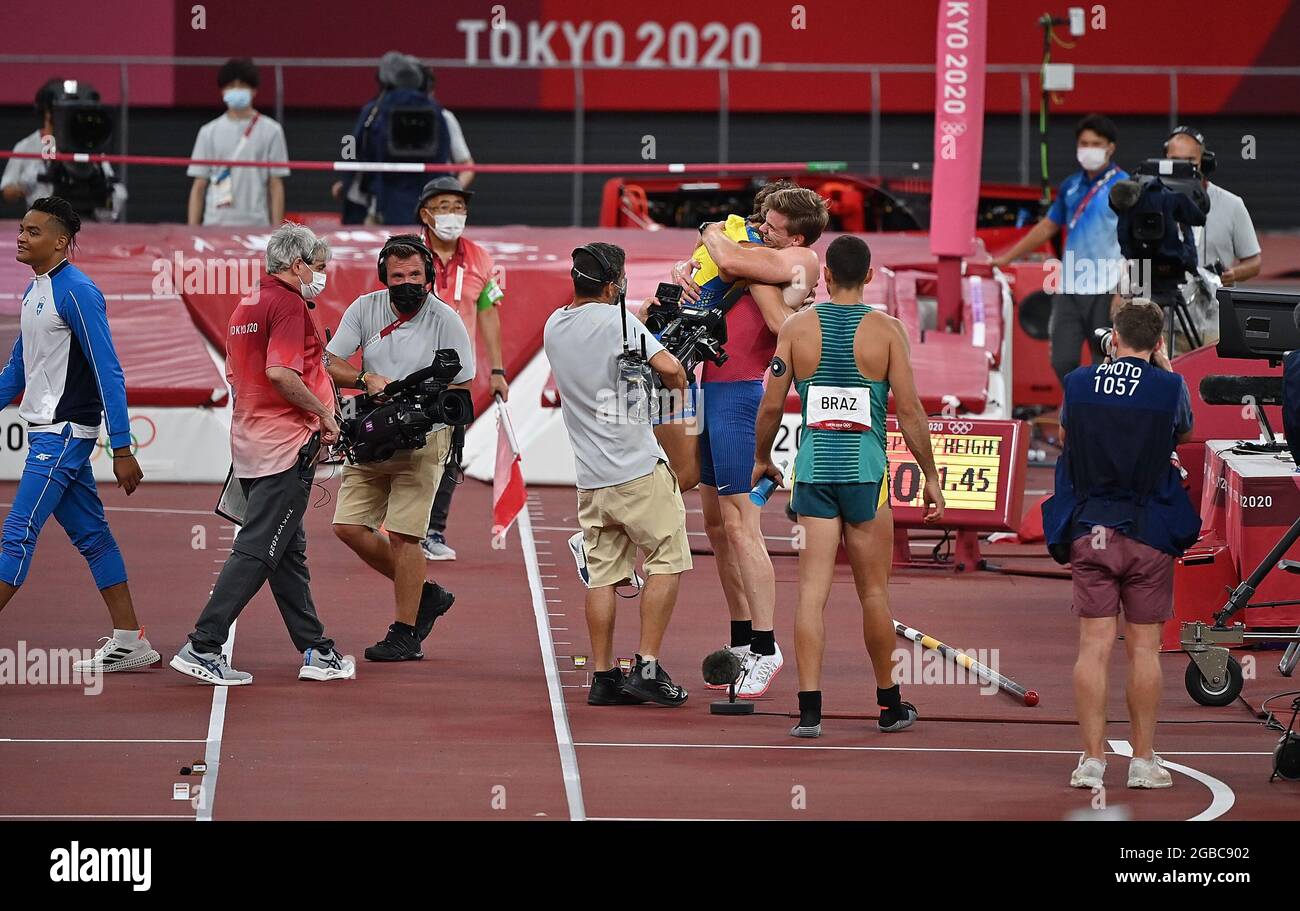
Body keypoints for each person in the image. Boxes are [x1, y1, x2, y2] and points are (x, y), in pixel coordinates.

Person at [753, 235, 943, 737]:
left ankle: (810, 711)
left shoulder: (796, 328)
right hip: (865, 477)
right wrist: (931, 478)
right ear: (871, 275)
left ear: (826, 278)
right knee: (874, 595)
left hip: (814, 475)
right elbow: (911, 410)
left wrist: (760, 458)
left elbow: (771, 406)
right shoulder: (887, 331)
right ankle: (889, 706)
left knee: (811, 595)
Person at [657, 184, 828, 698]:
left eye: (771, 224)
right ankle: (742, 639)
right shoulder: (763, 254)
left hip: (741, 391)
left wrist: (712, 234)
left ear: (795, 235)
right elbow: (721, 268)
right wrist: (687, 273)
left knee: (740, 523)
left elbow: (731, 258)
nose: (760, 226)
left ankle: (767, 646)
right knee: (715, 523)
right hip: (712, 384)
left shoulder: (799, 258)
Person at [171, 223, 354, 685]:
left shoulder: (248, 302)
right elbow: (281, 373)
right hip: (284, 448)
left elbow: (246, 372)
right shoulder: (289, 304)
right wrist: (326, 416)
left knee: (287, 552)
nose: (321, 275)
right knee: (259, 548)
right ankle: (204, 644)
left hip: (251, 443)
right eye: (319, 266)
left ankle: (316, 649)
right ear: (297, 265)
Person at [1042, 300, 1200, 790]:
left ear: (1113, 335)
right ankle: (1143, 760)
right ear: (1157, 343)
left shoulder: (1079, 383)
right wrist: (1166, 369)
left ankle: (1091, 761)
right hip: (1149, 532)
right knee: (1145, 650)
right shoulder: (1168, 385)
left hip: (1093, 529)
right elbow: (1185, 430)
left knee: (1093, 646)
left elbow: (1067, 437)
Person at [0, 196, 158, 673]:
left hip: (65, 435)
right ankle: (131, 640)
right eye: (22, 229)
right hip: (50, 433)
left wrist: (123, 446)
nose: (22, 236)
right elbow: (15, 373)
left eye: (33, 231)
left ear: (61, 241)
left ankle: (130, 639)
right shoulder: (35, 290)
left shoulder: (78, 292)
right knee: (93, 536)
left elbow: (109, 371)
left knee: (17, 532)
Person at [544, 242, 692, 707]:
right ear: (613, 284)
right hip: (637, 467)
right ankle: (646, 666)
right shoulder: (620, 322)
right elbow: (671, 371)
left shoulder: (554, 325)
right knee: (667, 558)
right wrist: (669, 408)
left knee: (603, 576)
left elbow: (603, 354)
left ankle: (604, 676)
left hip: (591, 477)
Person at [326, 234, 473, 661]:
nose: (407, 282)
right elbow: (329, 362)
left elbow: (462, 385)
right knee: (348, 527)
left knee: (406, 536)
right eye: (398, 276)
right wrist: (364, 380)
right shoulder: (364, 308)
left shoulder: (446, 319)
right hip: (372, 431)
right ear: (383, 278)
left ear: (429, 275)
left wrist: (426, 412)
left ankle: (406, 633)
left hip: (424, 438)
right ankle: (424, 593)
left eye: (415, 275)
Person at [993, 114, 1128, 386]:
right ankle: (1079, 403)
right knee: (1062, 360)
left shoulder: (1124, 187)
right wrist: (1005, 258)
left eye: (1096, 143)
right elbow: (1047, 227)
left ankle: (1096, 414)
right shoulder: (1070, 186)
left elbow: (1135, 242)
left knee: (1105, 361)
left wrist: (1125, 289)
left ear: (1110, 147)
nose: (1089, 149)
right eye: (1084, 143)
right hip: (1070, 287)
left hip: (1107, 286)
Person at [414, 176, 506, 560]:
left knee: (451, 452)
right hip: (412, 373)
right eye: (444, 207)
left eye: (459, 207)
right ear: (425, 214)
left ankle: (433, 531)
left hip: (457, 377)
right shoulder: (407, 253)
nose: (453, 215)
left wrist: (497, 371)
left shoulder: (480, 258)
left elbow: (487, 314)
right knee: (409, 449)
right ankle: (399, 527)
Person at [1165, 126, 1262, 352]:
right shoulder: (1153, 202)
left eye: (1190, 160)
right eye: (1176, 160)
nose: (1183, 168)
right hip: (1167, 323)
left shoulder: (1232, 204)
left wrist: (1233, 274)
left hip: (1214, 325)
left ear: (1205, 163)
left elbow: (1255, 262)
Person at [186, 58, 290, 227]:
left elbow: (276, 185)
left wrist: (277, 232)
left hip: (256, 224)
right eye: (231, 86)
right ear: (222, 91)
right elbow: (199, 185)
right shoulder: (208, 132)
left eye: (242, 85)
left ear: (254, 90)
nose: (236, 90)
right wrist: (192, 230)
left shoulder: (272, 130)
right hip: (214, 225)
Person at [2, 79, 125, 221]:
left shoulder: (88, 146)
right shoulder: (26, 146)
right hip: (46, 224)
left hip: (88, 222)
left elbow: (111, 189)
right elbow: (7, 192)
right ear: (48, 114)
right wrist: (25, 186)